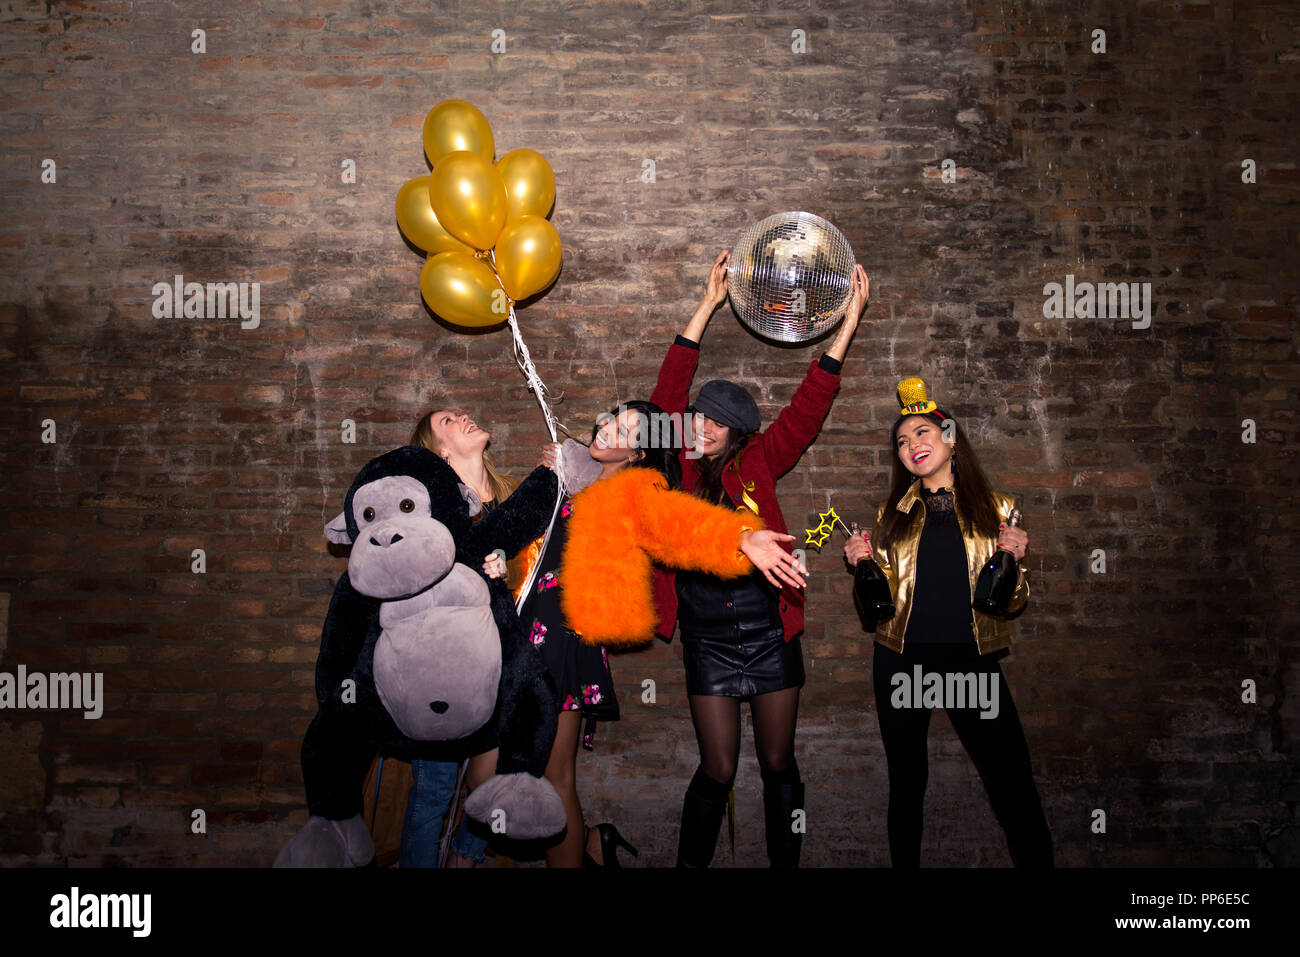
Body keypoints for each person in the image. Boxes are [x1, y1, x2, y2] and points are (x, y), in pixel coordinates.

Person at [513, 399, 806, 867]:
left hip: (564, 647)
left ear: (637, 454)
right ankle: (592, 841)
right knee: (526, 771)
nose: (609, 429)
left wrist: (739, 538)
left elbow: (680, 525)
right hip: (526, 642)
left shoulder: (637, 491)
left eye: (628, 431)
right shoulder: (575, 482)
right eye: (609, 418)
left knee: (553, 777)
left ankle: (585, 846)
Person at [649, 249, 870, 867]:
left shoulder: (758, 464)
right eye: (700, 416)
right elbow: (665, 397)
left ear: (736, 431)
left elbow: (807, 410)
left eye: (718, 421)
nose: (703, 426)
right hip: (707, 636)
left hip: (769, 629)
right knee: (717, 768)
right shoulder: (678, 469)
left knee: (778, 763)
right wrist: (706, 304)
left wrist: (847, 325)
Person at [843, 377, 1053, 868]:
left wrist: (1016, 561)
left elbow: (1011, 602)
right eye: (901, 441)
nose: (911, 445)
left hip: (969, 664)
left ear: (951, 437)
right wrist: (863, 567)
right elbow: (878, 606)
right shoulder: (890, 516)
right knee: (908, 785)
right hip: (901, 664)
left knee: (1012, 784)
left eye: (921, 433)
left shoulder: (997, 509)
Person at [400, 406, 533, 868]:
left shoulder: (511, 497)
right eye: (448, 421)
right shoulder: (429, 508)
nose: (465, 418)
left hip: (501, 666)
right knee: (434, 791)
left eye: (461, 414)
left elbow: (533, 570)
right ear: (439, 449)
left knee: (494, 776)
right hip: (443, 668)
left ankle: (465, 856)